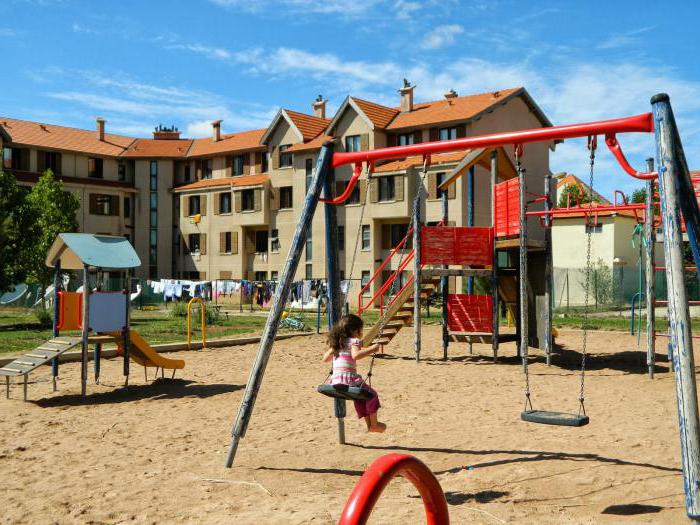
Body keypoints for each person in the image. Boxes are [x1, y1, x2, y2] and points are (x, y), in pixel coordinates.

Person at [322, 314, 386, 433]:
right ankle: (374, 424)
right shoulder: (354, 341)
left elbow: (325, 359)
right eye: (360, 330)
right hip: (349, 381)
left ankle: (369, 426)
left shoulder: (337, 343)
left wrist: (333, 350)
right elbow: (355, 355)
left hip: (335, 381)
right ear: (355, 330)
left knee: (360, 398)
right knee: (372, 395)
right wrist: (372, 349)